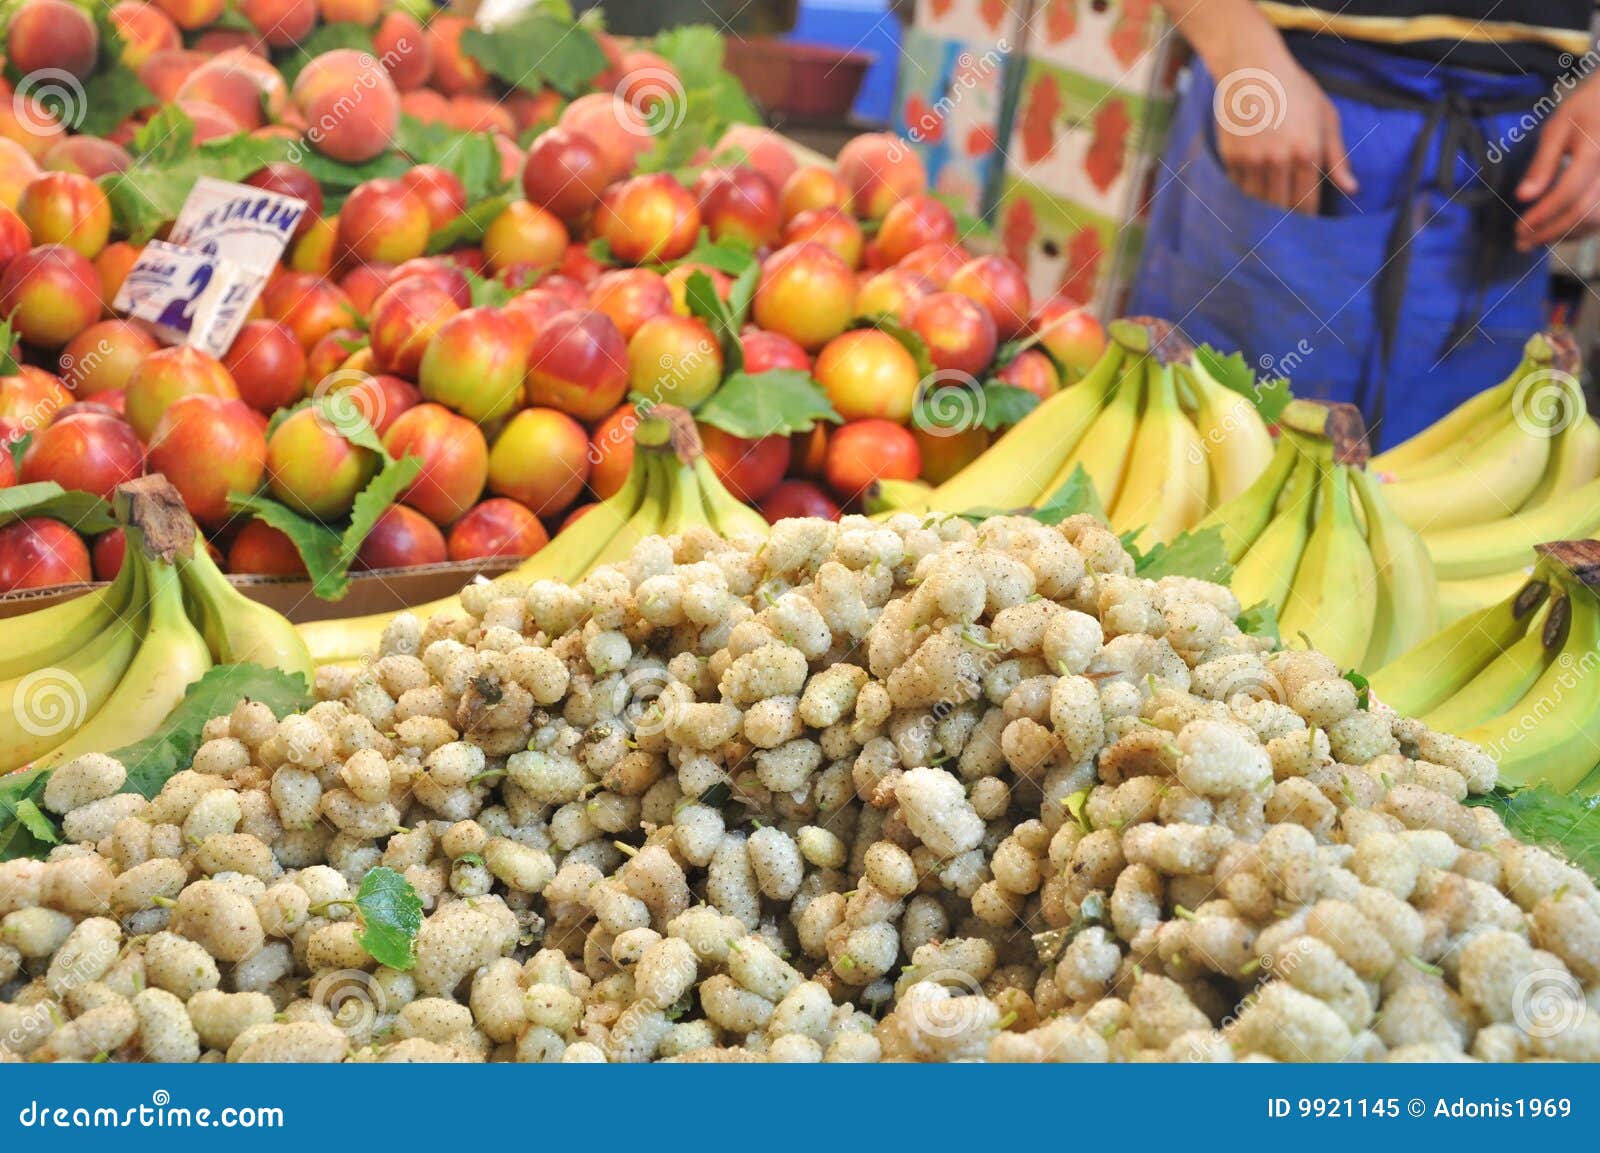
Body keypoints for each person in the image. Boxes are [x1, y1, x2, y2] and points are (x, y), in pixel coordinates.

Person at [1129, 1, 1600, 446]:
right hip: (1290, 114)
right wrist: (1241, 53)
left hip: (1506, 158)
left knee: (1459, 476)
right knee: (1207, 452)